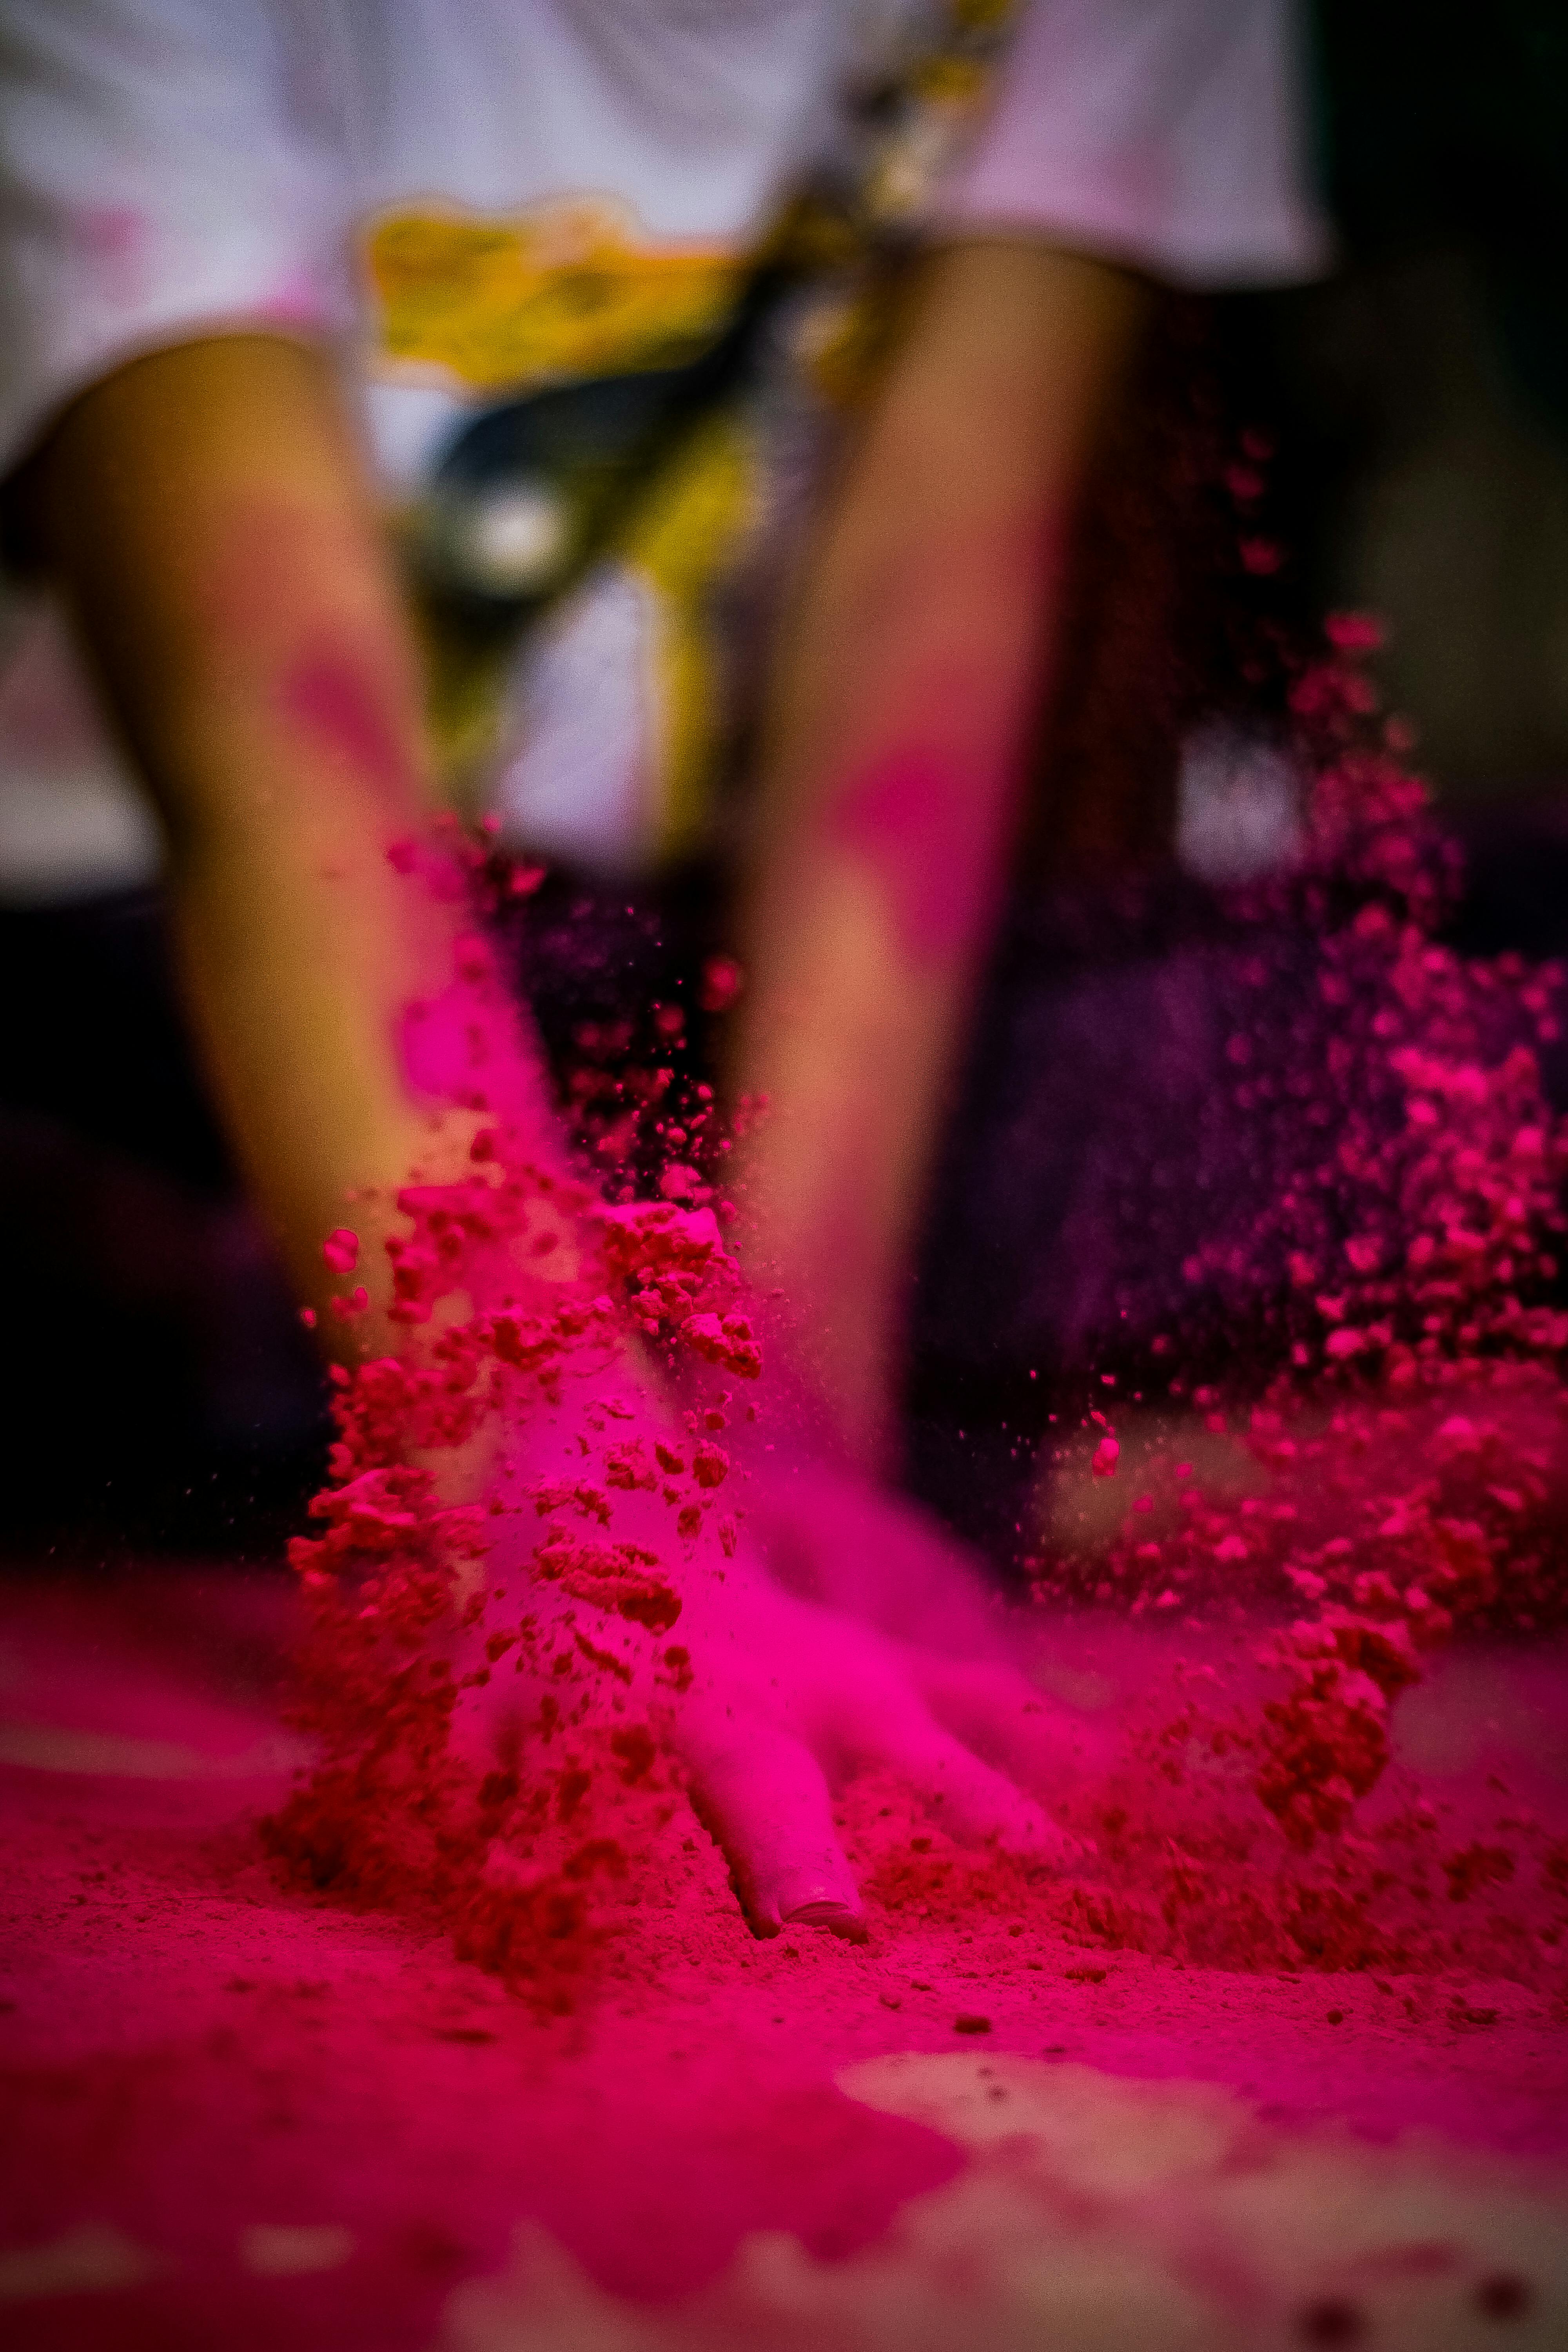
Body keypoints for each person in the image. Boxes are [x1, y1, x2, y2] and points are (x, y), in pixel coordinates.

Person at [0, 0, 1328, 1933]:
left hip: (669, 985)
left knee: (1387, 1039)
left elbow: (926, 622)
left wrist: (779, 1437)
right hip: (157, 962)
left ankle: (302, 1411)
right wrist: (563, 1493)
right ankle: (263, 1388)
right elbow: (275, 722)